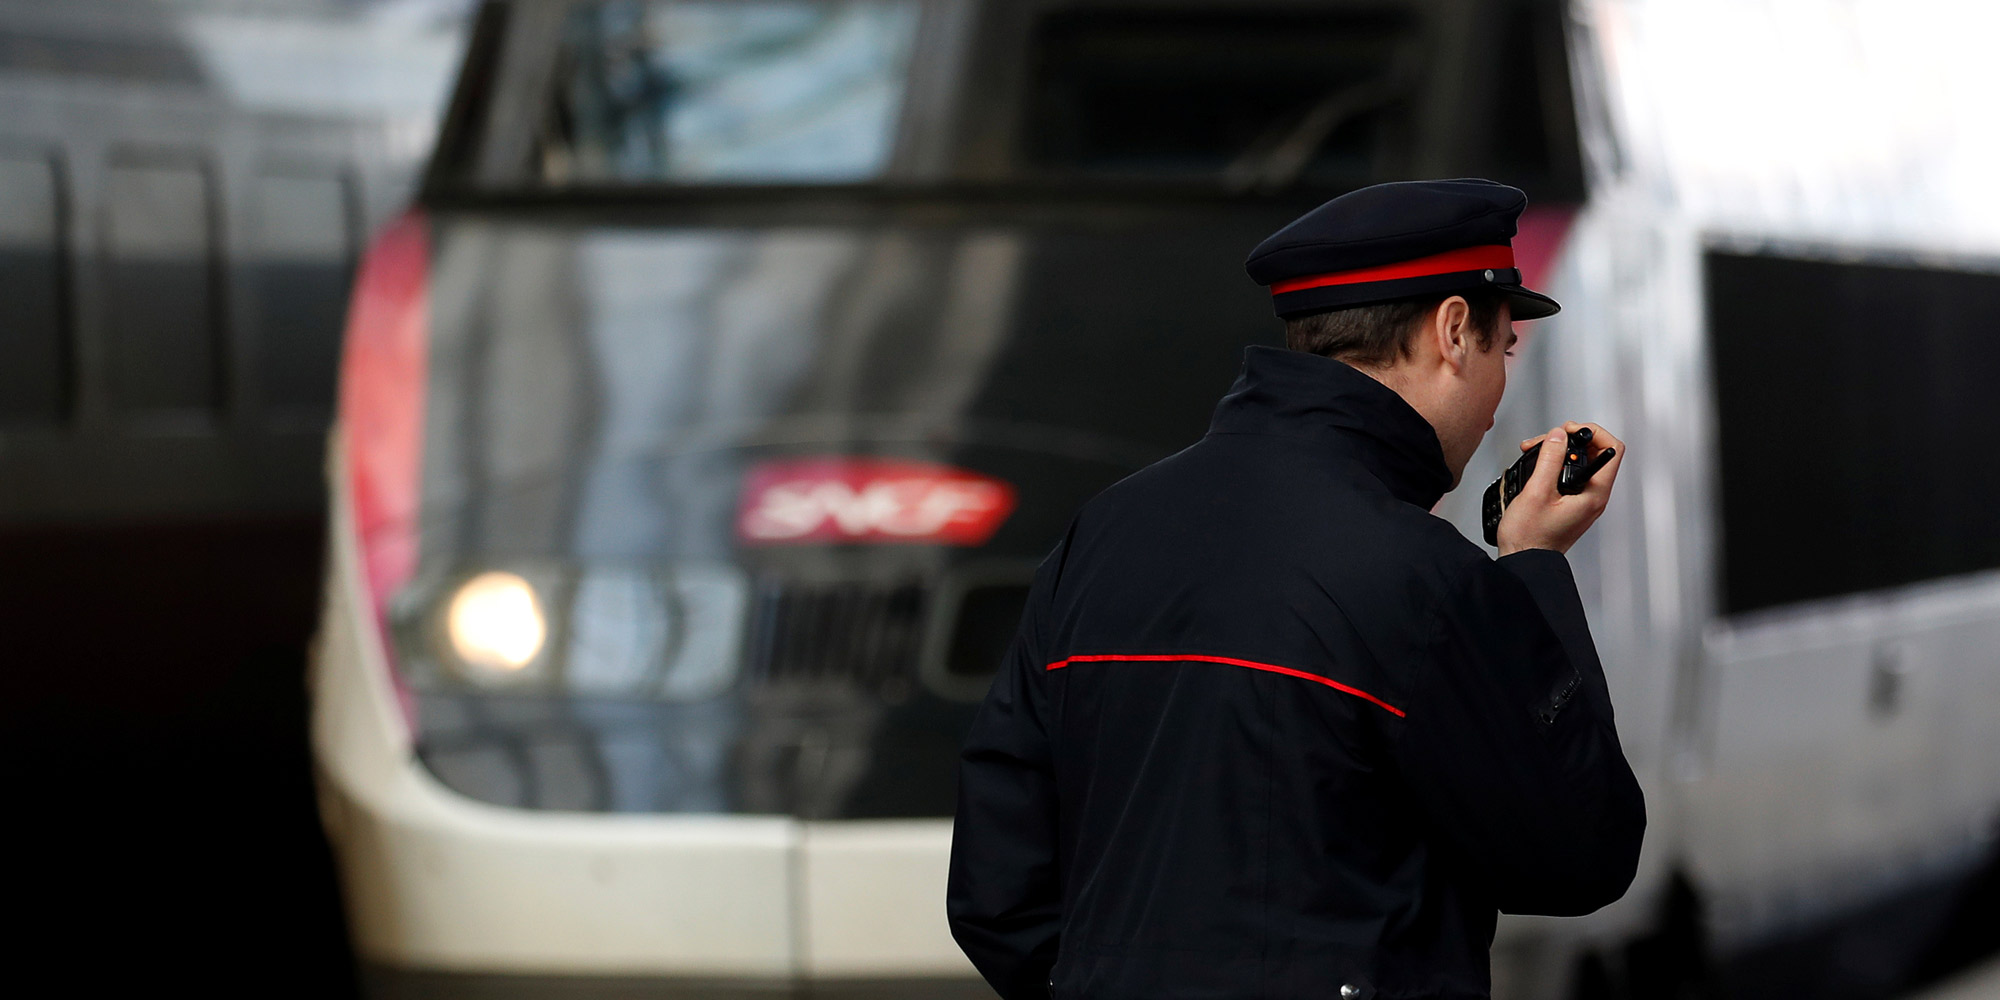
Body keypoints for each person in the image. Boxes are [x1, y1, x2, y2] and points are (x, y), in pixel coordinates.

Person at [946, 178, 1646, 1000]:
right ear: (1453, 330)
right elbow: (1580, 852)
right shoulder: (1422, 577)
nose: (1498, 394)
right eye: (1505, 347)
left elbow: (997, 892)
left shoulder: (1099, 536)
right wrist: (1532, 568)